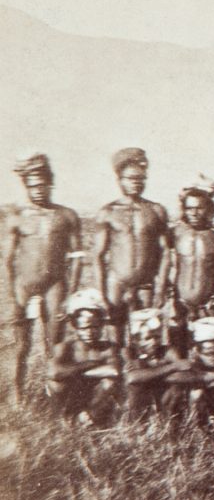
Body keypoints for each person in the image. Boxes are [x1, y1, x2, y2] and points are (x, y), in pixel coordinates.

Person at [5, 154, 83, 403]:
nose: (38, 191)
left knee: (54, 341)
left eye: (42, 185)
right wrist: (10, 294)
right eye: (32, 185)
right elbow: (6, 260)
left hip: (55, 285)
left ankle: (55, 396)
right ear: (26, 185)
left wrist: (71, 293)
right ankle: (17, 395)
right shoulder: (16, 216)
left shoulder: (66, 215)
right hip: (23, 285)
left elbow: (78, 256)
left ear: (51, 184)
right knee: (20, 345)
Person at [94, 148, 170, 347]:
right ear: (119, 179)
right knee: (115, 339)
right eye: (130, 178)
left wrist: (161, 287)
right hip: (116, 284)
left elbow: (165, 253)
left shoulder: (156, 210)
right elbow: (98, 256)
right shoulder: (108, 212)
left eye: (140, 178)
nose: (136, 182)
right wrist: (101, 293)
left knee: (146, 340)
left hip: (146, 285)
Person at [168, 174, 214, 356]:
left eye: (200, 208)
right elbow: (155, 256)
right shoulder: (176, 232)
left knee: (210, 356)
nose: (194, 213)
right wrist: (166, 283)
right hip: (179, 305)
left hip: (207, 306)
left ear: (208, 209)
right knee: (178, 355)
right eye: (190, 208)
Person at [47, 289, 121, 426]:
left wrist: (73, 372)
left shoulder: (107, 347)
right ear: (75, 327)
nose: (89, 332)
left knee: (109, 382)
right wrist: (92, 364)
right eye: (84, 327)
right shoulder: (66, 346)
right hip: (72, 393)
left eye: (95, 327)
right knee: (55, 384)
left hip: (94, 396)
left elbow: (114, 370)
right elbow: (53, 372)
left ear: (101, 327)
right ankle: (63, 419)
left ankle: (89, 417)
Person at [125, 308, 184, 417]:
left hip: (162, 398)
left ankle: (168, 420)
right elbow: (132, 378)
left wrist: (149, 374)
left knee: (176, 387)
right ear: (137, 340)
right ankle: (139, 424)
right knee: (136, 387)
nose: (153, 342)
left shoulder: (167, 351)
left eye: (157, 337)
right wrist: (172, 368)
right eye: (147, 338)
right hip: (136, 403)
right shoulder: (129, 352)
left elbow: (183, 372)